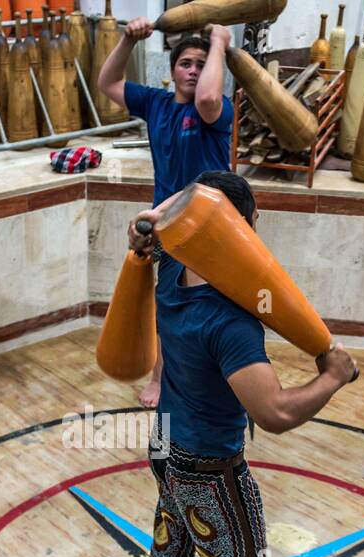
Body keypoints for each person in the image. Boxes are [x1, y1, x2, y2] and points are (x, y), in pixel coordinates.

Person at [129, 171, 359, 557]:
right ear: (245, 228)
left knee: (173, 534)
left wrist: (150, 228)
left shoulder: (168, 269)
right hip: (210, 465)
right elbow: (274, 414)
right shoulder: (231, 323)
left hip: (165, 444)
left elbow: (159, 225)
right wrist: (332, 378)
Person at [98, 19, 234, 410]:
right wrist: (127, 39)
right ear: (172, 71)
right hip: (169, 225)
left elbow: (208, 98)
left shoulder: (217, 110)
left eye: (200, 64)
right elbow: (107, 84)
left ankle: (217, 376)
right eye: (185, 63)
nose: (193, 70)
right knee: (169, 301)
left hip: (215, 225)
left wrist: (219, 41)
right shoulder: (156, 103)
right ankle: (161, 376)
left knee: (214, 302)